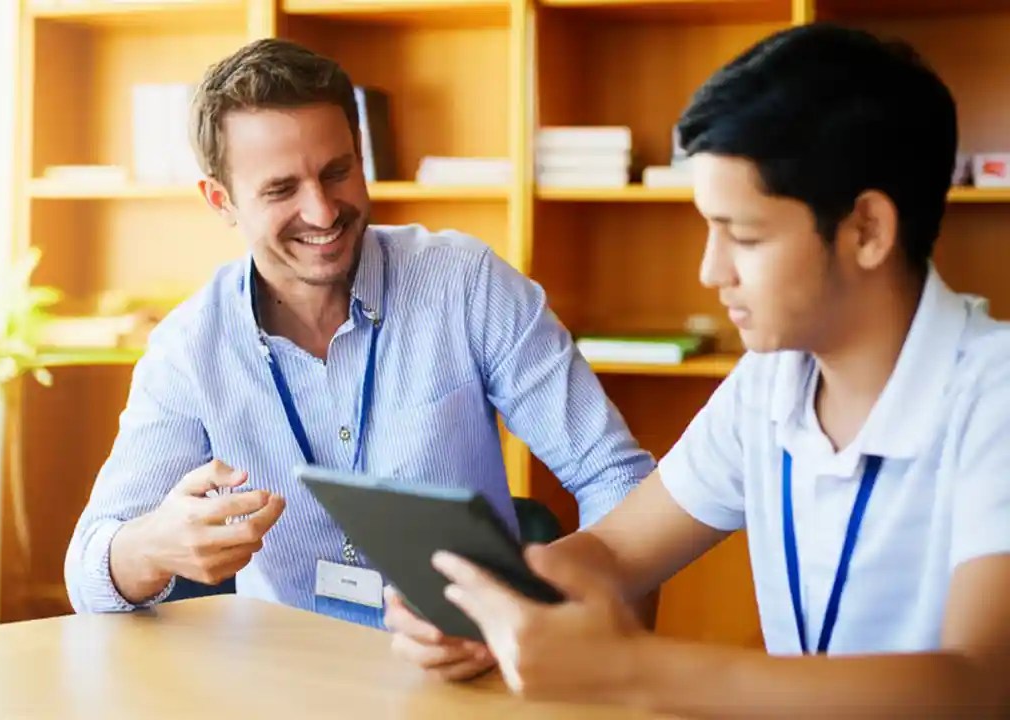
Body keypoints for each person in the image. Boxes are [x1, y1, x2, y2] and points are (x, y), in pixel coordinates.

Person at [385, 22, 1010, 717]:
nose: (711, 272)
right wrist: (498, 600)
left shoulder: (996, 395)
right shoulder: (771, 381)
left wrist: (633, 669)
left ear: (867, 230)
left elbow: (978, 683)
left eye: (743, 236)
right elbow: (617, 551)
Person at [63, 38, 656, 635]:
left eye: (337, 172)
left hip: (468, 667)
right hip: (290, 682)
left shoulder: (465, 284)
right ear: (221, 201)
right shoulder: (189, 348)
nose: (322, 212)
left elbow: (615, 476)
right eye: (281, 190)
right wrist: (149, 548)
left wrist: (588, 637)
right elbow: (88, 569)